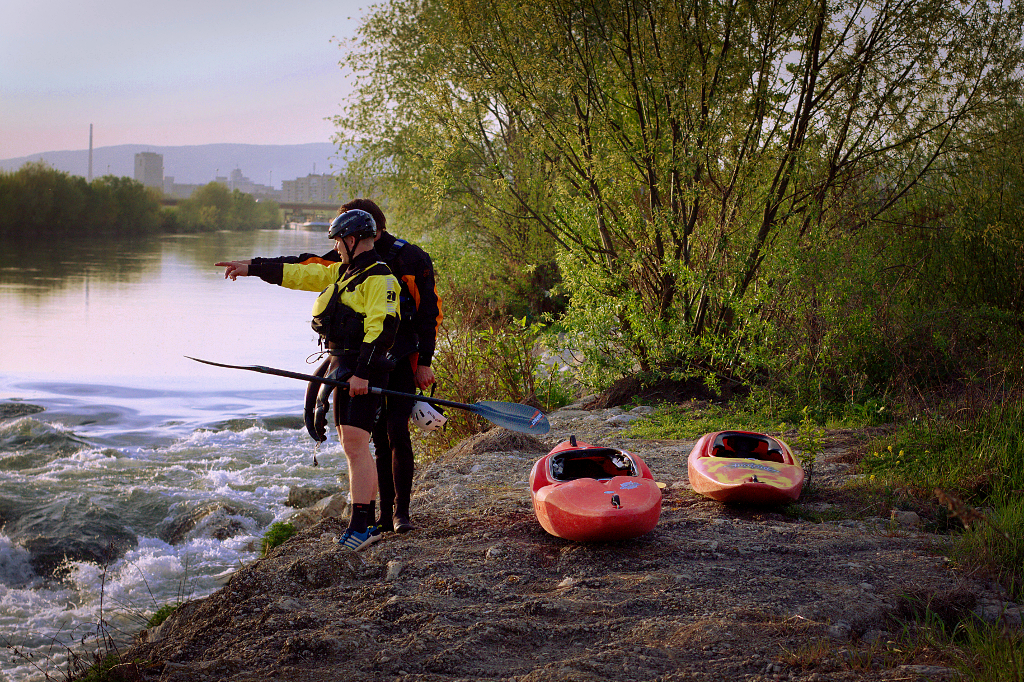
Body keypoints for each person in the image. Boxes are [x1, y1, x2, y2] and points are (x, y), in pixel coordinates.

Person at [218, 199, 442, 535]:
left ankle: (396, 516)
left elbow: (413, 320)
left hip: (390, 360)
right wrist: (252, 267)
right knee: (366, 439)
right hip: (352, 363)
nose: (334, 247)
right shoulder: (344, 268)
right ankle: (373, 519)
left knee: (393, 432)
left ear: (358, 236)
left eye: (338, 239)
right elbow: (299, 268)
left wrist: (420, 362)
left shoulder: (403, 263)